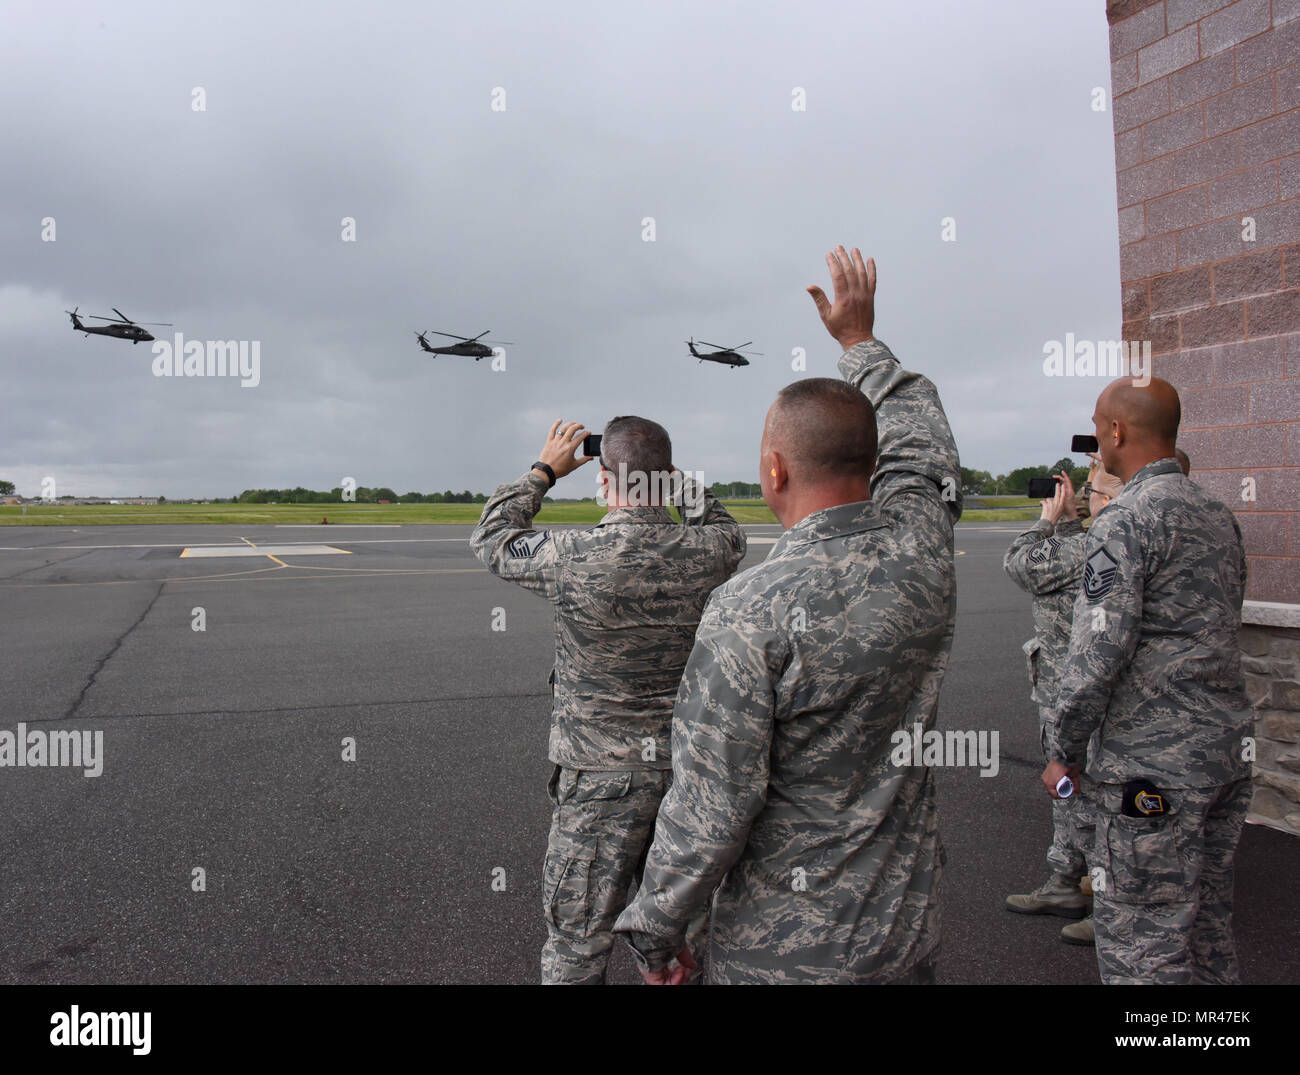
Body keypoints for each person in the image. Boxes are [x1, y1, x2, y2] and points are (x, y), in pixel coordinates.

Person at [613, 247, 962, 984]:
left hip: (787, 957)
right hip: (902, 935)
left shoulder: (748, 608)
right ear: (871, 463)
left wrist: (655, 929)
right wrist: (861, 343)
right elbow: (923, 447)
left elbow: (711, 807)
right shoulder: (924, 553)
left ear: (773, 470)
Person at [470, 417, 746, 984]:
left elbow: (492, 537)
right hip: (686, 777)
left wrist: (544, 470)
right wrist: (675, 483)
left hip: (600, 778)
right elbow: (726, 527)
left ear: (602, 474)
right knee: (678, 943)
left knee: (577, 943)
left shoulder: (574, 553)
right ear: (667, 478)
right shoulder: (710, 550)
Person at [1042, 376, 1253, 984]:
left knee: (1144, 942)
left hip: (1151, 770)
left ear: (1115, 431)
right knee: (1207, 925)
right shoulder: (1218, 515)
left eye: (1097, 424)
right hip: (1223, 755)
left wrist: (1063, 751)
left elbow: (1096, 655)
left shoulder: (1125, 521)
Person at [1003, 470, 1111, 946]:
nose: (1084, 496)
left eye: (1093, 491)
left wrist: (1044, 521)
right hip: (1063, 691)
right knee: (1068, 796)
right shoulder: (1082, 543)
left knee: (1080, 796)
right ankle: (1066, 880)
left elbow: (1019, 564)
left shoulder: (1085, 548)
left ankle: (1106, 901)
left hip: (1073, 695)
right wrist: (1067, 521)